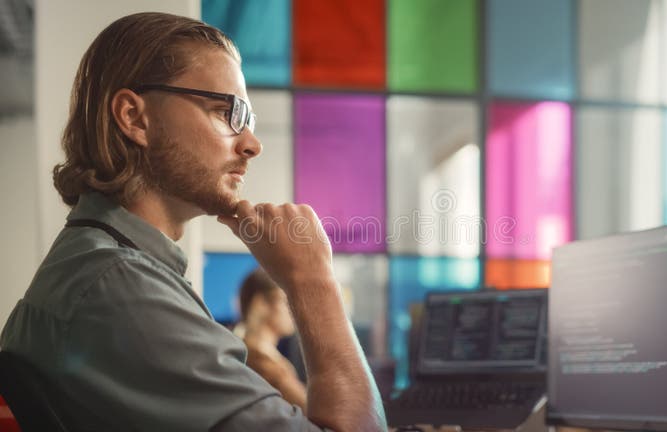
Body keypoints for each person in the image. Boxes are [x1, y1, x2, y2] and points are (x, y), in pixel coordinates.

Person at [0, 11, 385, 432]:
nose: (252, 144)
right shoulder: (120, 286)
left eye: (249, 121)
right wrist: (313, 281)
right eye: (226, 112)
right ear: (134, 118)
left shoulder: (111, 267)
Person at [236, 269, 307, 411]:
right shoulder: (264, 366)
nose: (293, 309)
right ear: (260, 304)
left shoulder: (245, 351)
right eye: (286, 301)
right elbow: (310, 409)